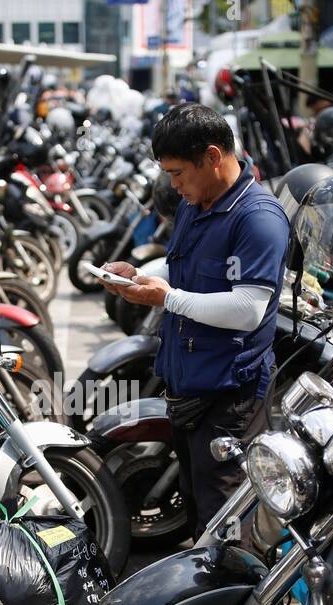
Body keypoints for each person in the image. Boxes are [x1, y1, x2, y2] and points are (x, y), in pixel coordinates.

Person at [98, 103, 290, 539]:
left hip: (230, 398)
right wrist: (140, 276)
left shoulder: (257, 218)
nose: (173, 184)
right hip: (188, 385)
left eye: (178, 172)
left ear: (213, 156)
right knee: (198, 508)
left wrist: (167, 298)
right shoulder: (195, 202)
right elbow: (180, 269)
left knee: (225, 521)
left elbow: (248, 309)